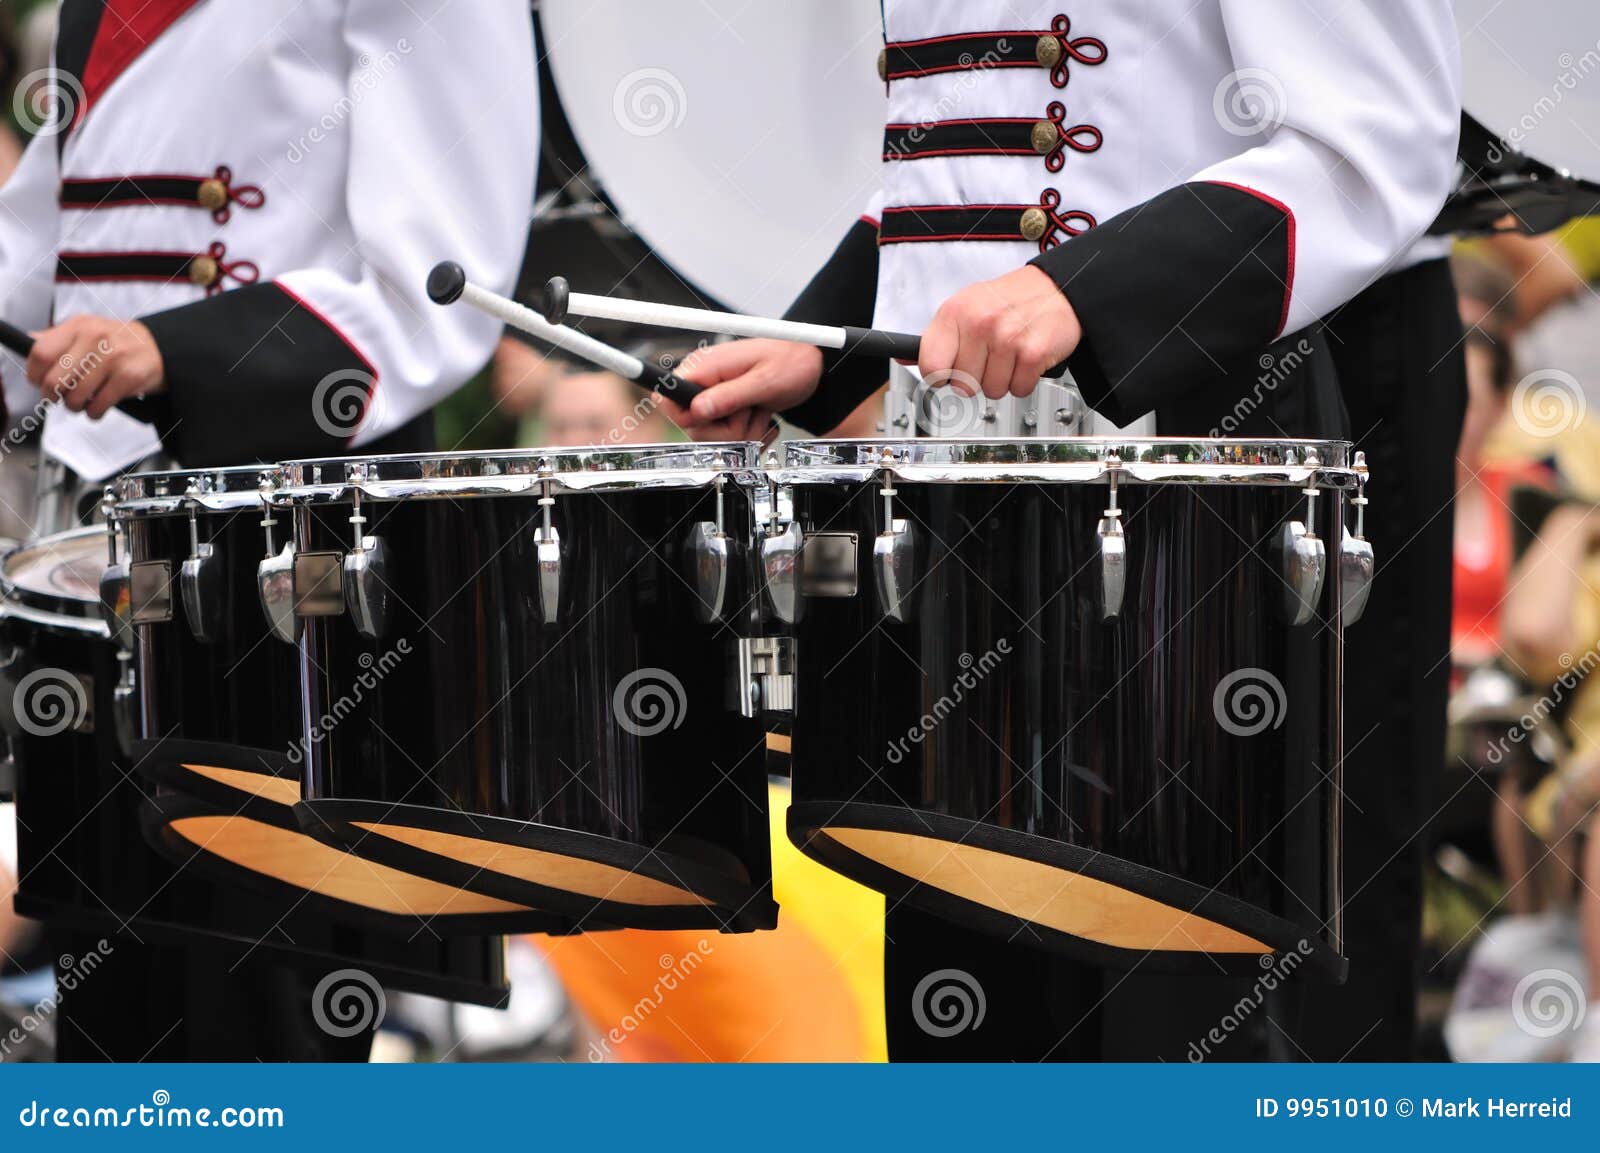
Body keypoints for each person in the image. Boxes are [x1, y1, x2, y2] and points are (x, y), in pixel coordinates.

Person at [668, 2, 1461, 1060]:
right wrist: (833, 342)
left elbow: (1374, 141)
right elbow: (968, 142)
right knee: (969, 999)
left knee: (1172, 1017)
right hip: (960, 461)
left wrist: (1081, 290)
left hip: (1188, 446)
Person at [0, 0, 537, 1061]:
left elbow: (444, 284)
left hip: (295, 538)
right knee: (109, 982)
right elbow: (53, 239)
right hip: (95, 550)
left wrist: (177, 350)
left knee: (263, 997)